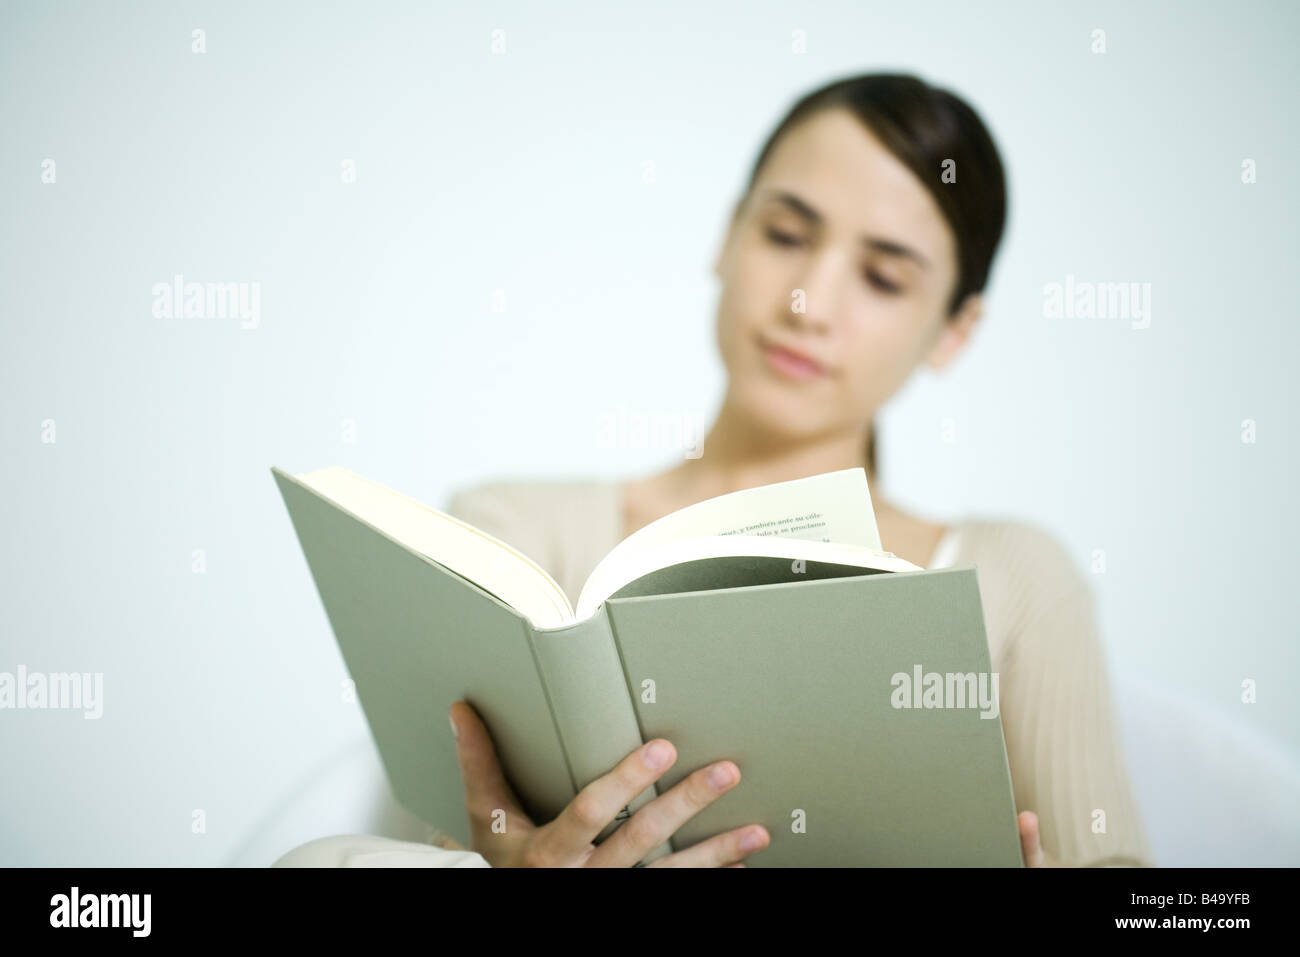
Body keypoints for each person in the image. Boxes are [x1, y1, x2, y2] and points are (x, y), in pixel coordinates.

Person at [275, 72, 1152, 868]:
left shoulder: (1015, 577)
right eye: (784, 234)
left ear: (954, 331)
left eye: (883, 278)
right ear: (728, 238)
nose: (808, 301)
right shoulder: (512, 525)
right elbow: (417, 840)